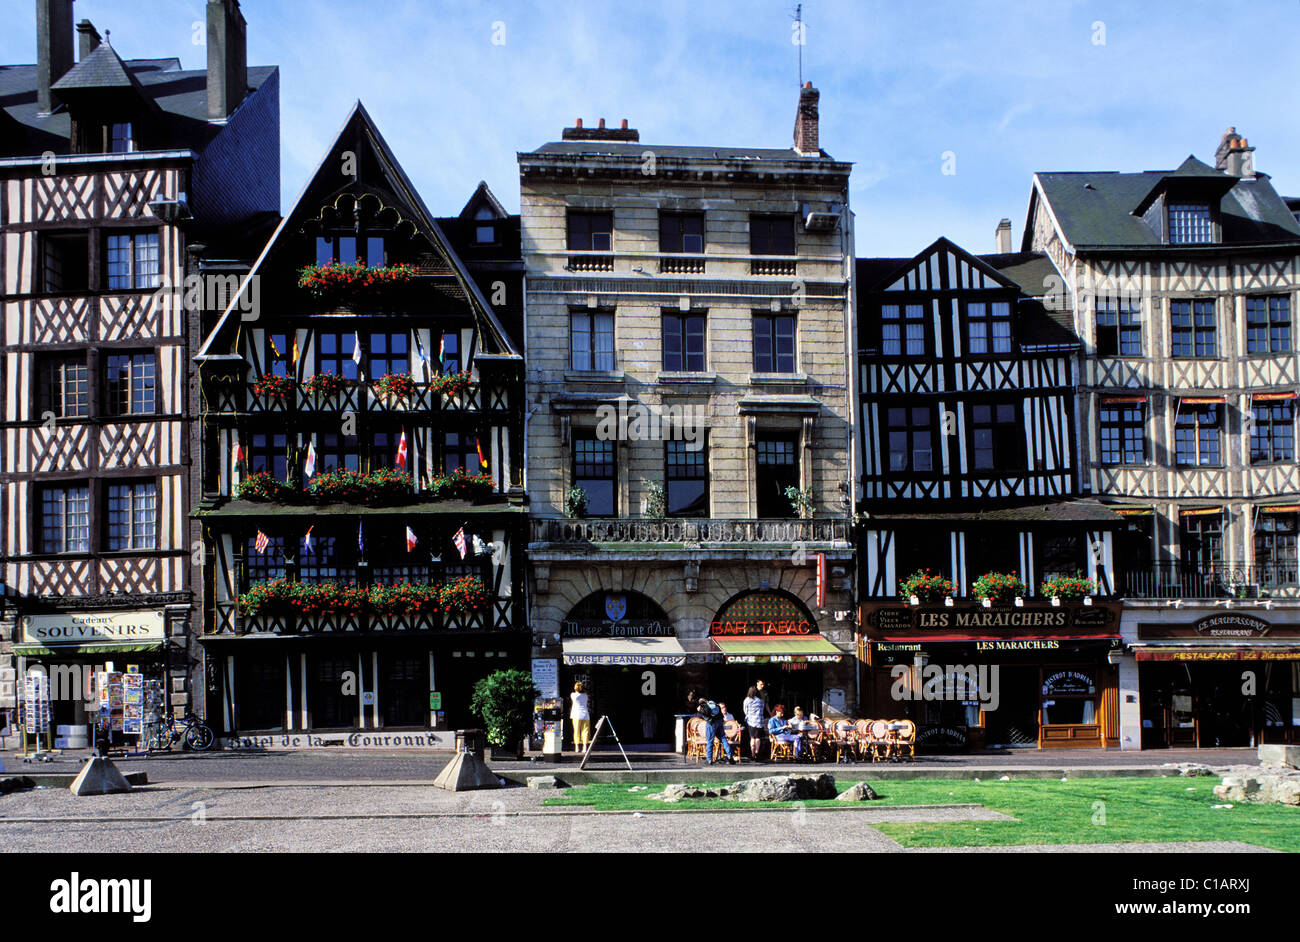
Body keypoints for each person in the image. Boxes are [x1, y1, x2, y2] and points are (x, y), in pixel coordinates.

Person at [699, 694, 733, 764]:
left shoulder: (703, 707)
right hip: (719, 722)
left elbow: (704, 713)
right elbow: (720, 714)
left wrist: (699, 710)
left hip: (711, 724)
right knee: (723, 738)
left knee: (710, 741)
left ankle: (709, 759)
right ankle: (730, 756)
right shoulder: (715, 705)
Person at [743, 686, 766, 761]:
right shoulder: (761, 700)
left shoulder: (747, 700)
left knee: (752, 738)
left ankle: (752, 753)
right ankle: (757, 752)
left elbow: (745, 710)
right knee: (758, 738)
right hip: (759, 721)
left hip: (751, 721)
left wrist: (748, 715)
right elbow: (762, 710)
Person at [570, 681, 591, 754]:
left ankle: (577, 747)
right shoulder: (585, 695)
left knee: (576, 731)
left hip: (576, 715)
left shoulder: (573, 695)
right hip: (585, 714)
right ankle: (585, 747)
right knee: (585, 731)